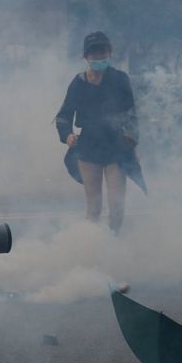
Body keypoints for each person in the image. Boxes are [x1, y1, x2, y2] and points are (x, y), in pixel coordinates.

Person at [55, 32, 139, 233]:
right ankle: (94, 245)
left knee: (117, 206)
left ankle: (114, 240)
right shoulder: (78, 83)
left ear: (109, 53)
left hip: (115, 146)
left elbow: (131, 114)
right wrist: (67, 135)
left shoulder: (120, 79)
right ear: (85, 56)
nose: (98, 57)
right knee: (94, 208)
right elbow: (64, 116)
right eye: (93, 53)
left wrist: (131, 135)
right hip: (88, 147)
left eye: (102, 52)